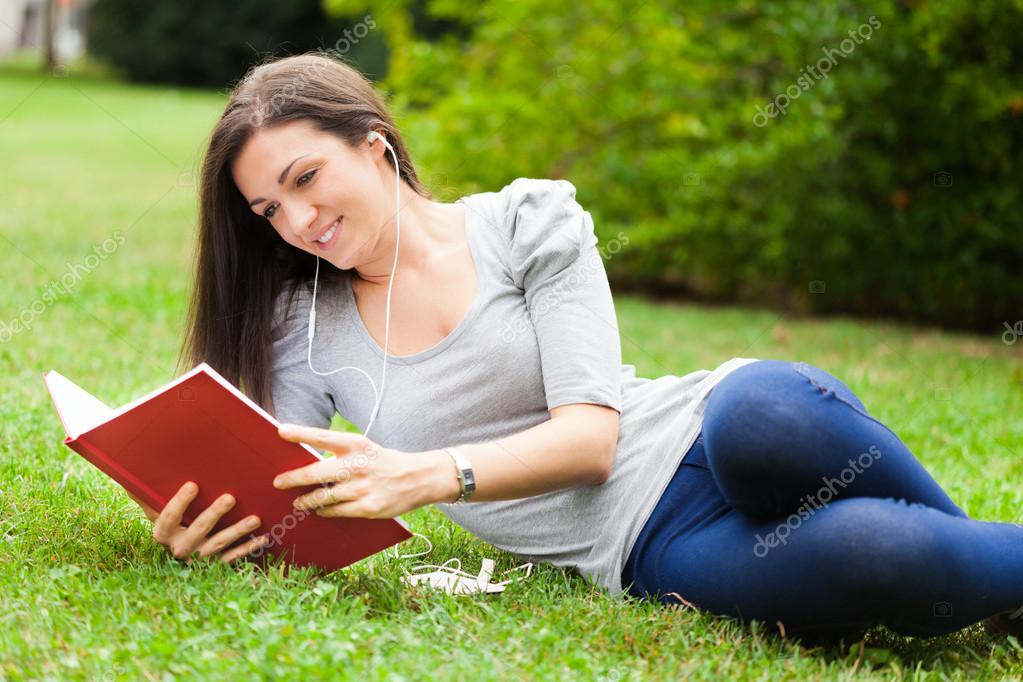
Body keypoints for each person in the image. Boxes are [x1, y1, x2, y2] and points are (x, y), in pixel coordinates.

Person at [130, 52, 1023, 640]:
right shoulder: (300, 323)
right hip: (647, 542)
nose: (297, 221)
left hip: (701, 431)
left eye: (306, 179)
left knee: (761, 413)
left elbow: (591, 440)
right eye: (268, 210)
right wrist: (208, 525)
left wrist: (429, 474)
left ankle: (992, 577)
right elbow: (278, 492)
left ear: (375, 148)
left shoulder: (527, 221)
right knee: (877, 555)